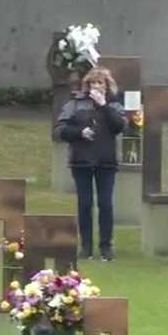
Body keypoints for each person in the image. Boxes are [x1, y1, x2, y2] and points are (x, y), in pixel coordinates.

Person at [53, 67, 125, 261]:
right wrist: (79, 133)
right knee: (85, 204)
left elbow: (120, 126)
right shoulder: (75, 104)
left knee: (105, 204)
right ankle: (86, 246)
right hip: (81, 161)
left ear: (107, 85)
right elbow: (60, 129)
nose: (96, 87)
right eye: (93, 83)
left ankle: (106, 246)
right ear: (87, 85)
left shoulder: (114, 105)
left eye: (100, 83)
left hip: (106, 161)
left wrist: (104, 106)